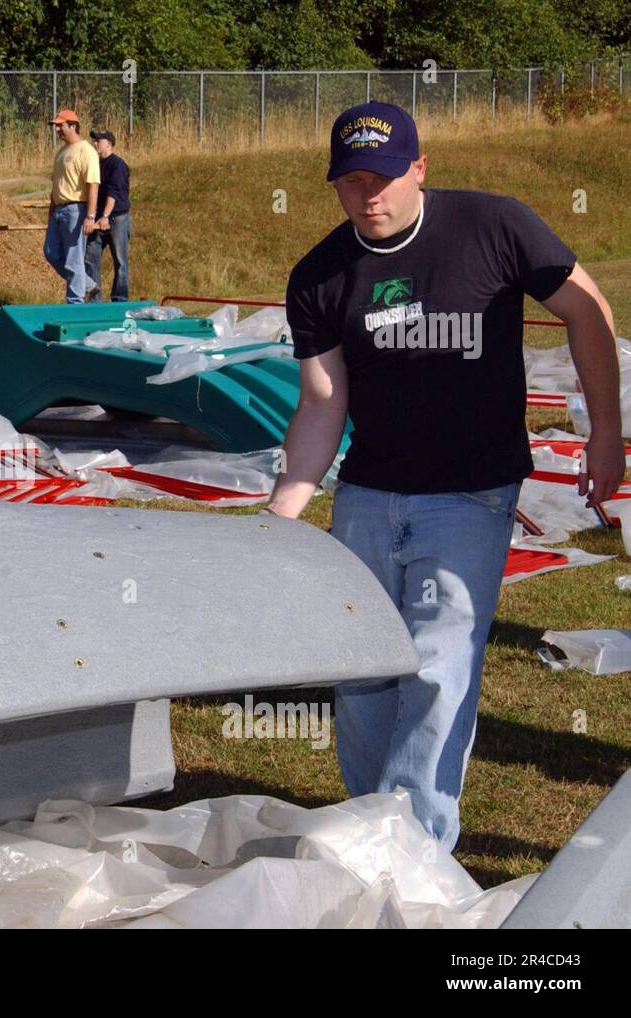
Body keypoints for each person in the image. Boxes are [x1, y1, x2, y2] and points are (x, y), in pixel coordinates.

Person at [267, 101, 623, 849]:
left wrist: (605, 435)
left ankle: (413, 847)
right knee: (360, 666)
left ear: (420, 168)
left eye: (386, 177)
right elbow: (324, 403)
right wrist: (281, 515)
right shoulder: (320, 276)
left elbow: (588, 312)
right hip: (366, 494)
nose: (371, 195)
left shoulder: (495, 227)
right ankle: (372, 826)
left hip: (470, 492)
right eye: (353, 180)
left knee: (436, 665)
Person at [43, 109, 99, 303]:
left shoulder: (86, 150)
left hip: (76, 210)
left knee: (73, 259)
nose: (57, 129)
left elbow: (93, 184)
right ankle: (87, 284)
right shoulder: (61, 152)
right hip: (59, 210)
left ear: (73, 126)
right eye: (56, 126)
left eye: (60, 125)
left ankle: (75, 302)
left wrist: (90, 216)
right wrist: (51, 213)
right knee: (51, 253)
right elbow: (57, 185)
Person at [84, 129, 130, 301]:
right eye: (94, 140)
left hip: (117, 217)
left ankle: (120, 299)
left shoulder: (117, 164)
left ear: (109, 144)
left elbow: (114, 193)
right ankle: (95, 300)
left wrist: (105, 216)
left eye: (99, 141)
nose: (95, 143)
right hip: (98, 218)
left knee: (120, 260)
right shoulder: (95, 163)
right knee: (90, 256)